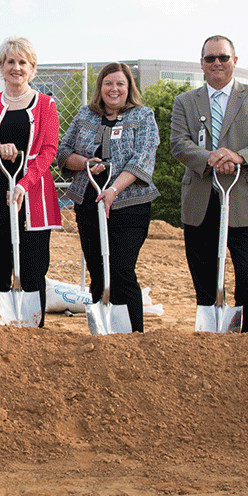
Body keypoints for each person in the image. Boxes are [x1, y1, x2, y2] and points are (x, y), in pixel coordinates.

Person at [170, 36, 248, 331]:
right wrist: (211, 159)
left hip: (245, 201)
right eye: (210, 59)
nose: (217, 63)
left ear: (235, 60)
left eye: (223, 57)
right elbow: (179, 143)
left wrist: (239, 156)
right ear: (202, 63)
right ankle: (212, 336)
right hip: (201, 201)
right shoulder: (185, 102)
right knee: (204, 274)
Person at [57, 62, 159, 332]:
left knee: (121, 271)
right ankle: (103, 337)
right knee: (99, 274)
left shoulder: (143, 115)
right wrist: (85, 164)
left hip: (129, 206)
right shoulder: (84, 115)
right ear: (100, 88)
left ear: (129, 88)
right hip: (89, 204)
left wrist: (114, 189)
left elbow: (143, 159)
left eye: (120, 84)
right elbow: (63, 152)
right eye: (108, 84)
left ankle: (133, 337)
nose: (114, 89)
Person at [0, 36, 63, 327]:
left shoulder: (46, 105)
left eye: (23, 62)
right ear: (2, 67)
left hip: (33, 195)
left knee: (33, 267)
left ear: (32, 68)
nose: (16, 67)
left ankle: (33, 330)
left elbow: (48, 150)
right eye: (11, 61)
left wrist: (25, 182)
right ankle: (0, 328)